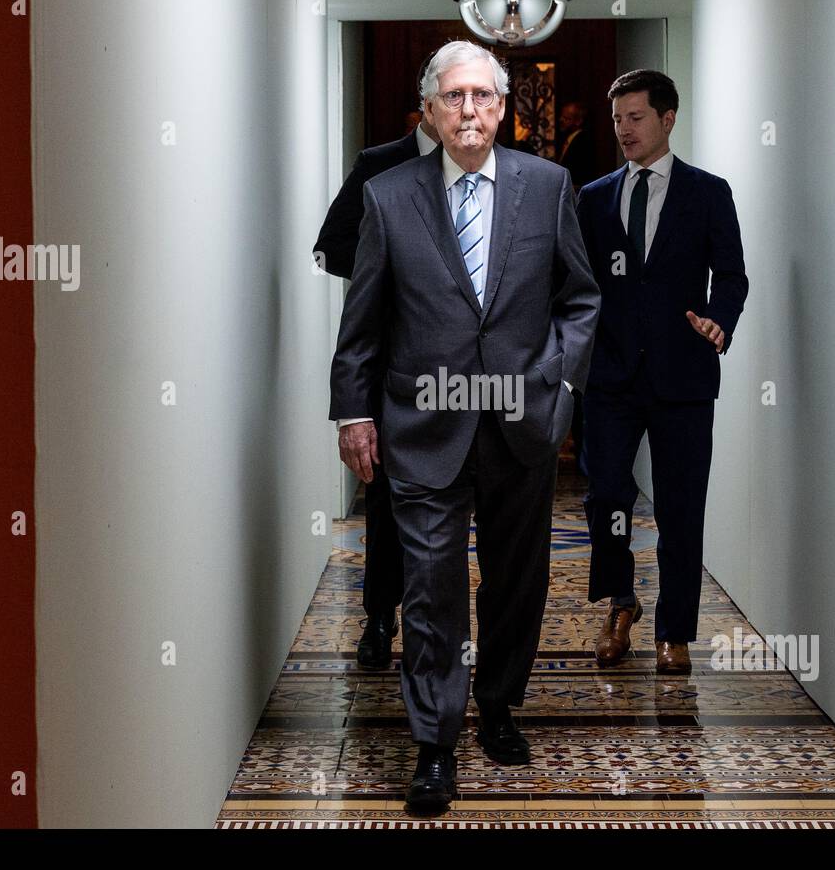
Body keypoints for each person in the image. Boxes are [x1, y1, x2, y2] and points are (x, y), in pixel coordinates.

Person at [329, 40, 599, 815]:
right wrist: (354, 411)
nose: (470, 110)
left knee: (518, 581)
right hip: (421, 426)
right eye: (454, 98)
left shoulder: (548, 187)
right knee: (431, 588)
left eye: (483, 96)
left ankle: (501, 706)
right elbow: (364, 323)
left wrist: (560, 380)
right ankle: (435, 743)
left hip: (522, 422)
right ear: (431, 110)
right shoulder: (387, 195)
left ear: (504, 107)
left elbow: (580, 300)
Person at [575, 69, 749, 674]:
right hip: (610, 380)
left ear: (667, 120)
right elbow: (578, 285)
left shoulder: (708, 193)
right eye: (618, 118)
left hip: (683, 377)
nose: (624, 129)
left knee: (680, 507)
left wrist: (719, 321)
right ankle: (621, 604)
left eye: (636, 117)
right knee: (607, 497)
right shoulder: (594, 198)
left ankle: (675, 629)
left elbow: (731, 275)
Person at [313, 66, 440, 670]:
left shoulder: (492, 166)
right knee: (387, 497)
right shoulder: (378, 163)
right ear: (424, 108)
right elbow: (329, 245)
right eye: (449, 99)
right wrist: (386, 268)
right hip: (394, 354)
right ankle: (378, 620)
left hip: (471, 367)